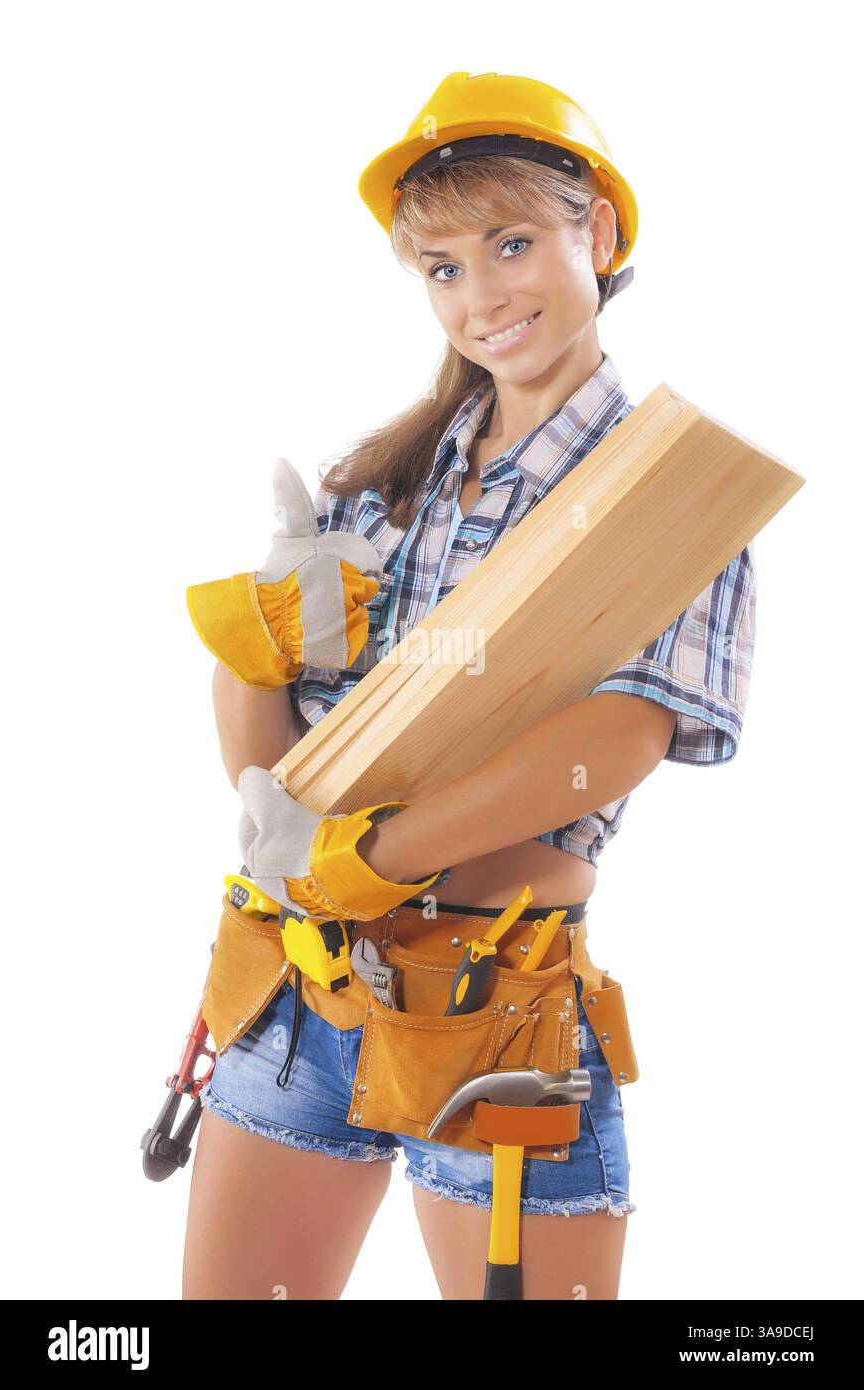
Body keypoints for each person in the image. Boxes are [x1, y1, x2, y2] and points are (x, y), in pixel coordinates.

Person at [180, 71, 756, 1301]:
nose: (481, 295)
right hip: (299, 992)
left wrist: (375, 852)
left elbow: (618, 736)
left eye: (510, 244)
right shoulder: (380, 475)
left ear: (593, 232)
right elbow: (273, 764)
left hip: (497, 1015)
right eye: (440, 267)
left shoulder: (672, 497)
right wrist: (262, 650)